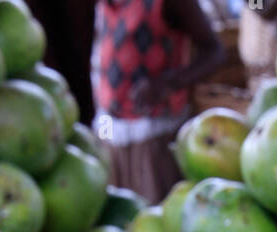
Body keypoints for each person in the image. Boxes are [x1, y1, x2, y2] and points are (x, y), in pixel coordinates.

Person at [92, 0, 225, 202]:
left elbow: (214, 52)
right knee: (120, 212)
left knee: (154, 210)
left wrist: (167, 83)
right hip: (110, 130)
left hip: (153, 135)